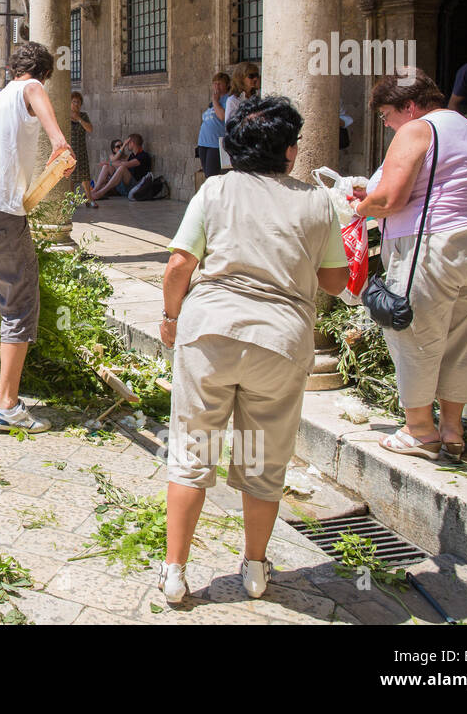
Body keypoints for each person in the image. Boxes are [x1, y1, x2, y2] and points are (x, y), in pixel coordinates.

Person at [158, 95, 348, 605]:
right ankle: (257, 568)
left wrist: (171, 318)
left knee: (192, 453)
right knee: (263, 460)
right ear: (289, 150)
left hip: (210, 335)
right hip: (281, 343)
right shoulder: (318, 201)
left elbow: (179, 266)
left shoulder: (215, 190)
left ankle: (175, 572)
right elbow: (334, 282)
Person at [351, 68, 467, 462]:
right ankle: (452, 430)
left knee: (414, 332)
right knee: (461, 338)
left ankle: (420, 430)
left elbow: (391, 200)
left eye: (387, 115)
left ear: (408, 105)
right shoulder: (466, 127)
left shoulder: (417, 129)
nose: (387, 125)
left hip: (437, 243)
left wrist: (359, 206)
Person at [0, 40, 73, 435]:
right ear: (42, 73)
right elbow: (34, 91)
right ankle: (6, 405)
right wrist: (59, 141)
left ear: (10, 69)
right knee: (19, 302)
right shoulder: (29, 88)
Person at [219, 63, 260, 171]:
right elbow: (229, 126)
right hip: (241, 146)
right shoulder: (233, 100)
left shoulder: (257, 97)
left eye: (257, 75)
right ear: (241, 78)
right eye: (251, 76)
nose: (255, 78)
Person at [90, 133, 152, 200]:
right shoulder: (132, 155)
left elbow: (126, 164)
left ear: (132, 143)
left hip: (136, 187)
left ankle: (101, 193)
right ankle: (94, 191)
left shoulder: (143, 156)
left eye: (128, 143)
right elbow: (117, 161)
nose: (126, 145)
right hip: (126, 186)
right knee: (106, 166)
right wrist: (108, 163)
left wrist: (109, 162)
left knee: (122, 168)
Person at [196, 72, 229, 179]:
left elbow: (222, 116)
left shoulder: (227, 100)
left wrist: (215, 101)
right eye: (214, 83)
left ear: (227, 85)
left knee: (212, 176)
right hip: (203, 142)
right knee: (207, 175)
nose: (216, 86)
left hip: (215, 144)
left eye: (219, 84)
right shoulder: (213, 102)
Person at [70, 92, 97, 208]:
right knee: (70, 175)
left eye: (78, 102)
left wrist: (79, 119)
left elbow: (90, 129)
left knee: (85, 175)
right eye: (74, 102)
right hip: (70, 150)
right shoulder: (65, 116)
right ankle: (71, 199)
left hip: (81, 149)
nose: (76, 104)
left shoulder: (84, 116)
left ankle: (89, 199)